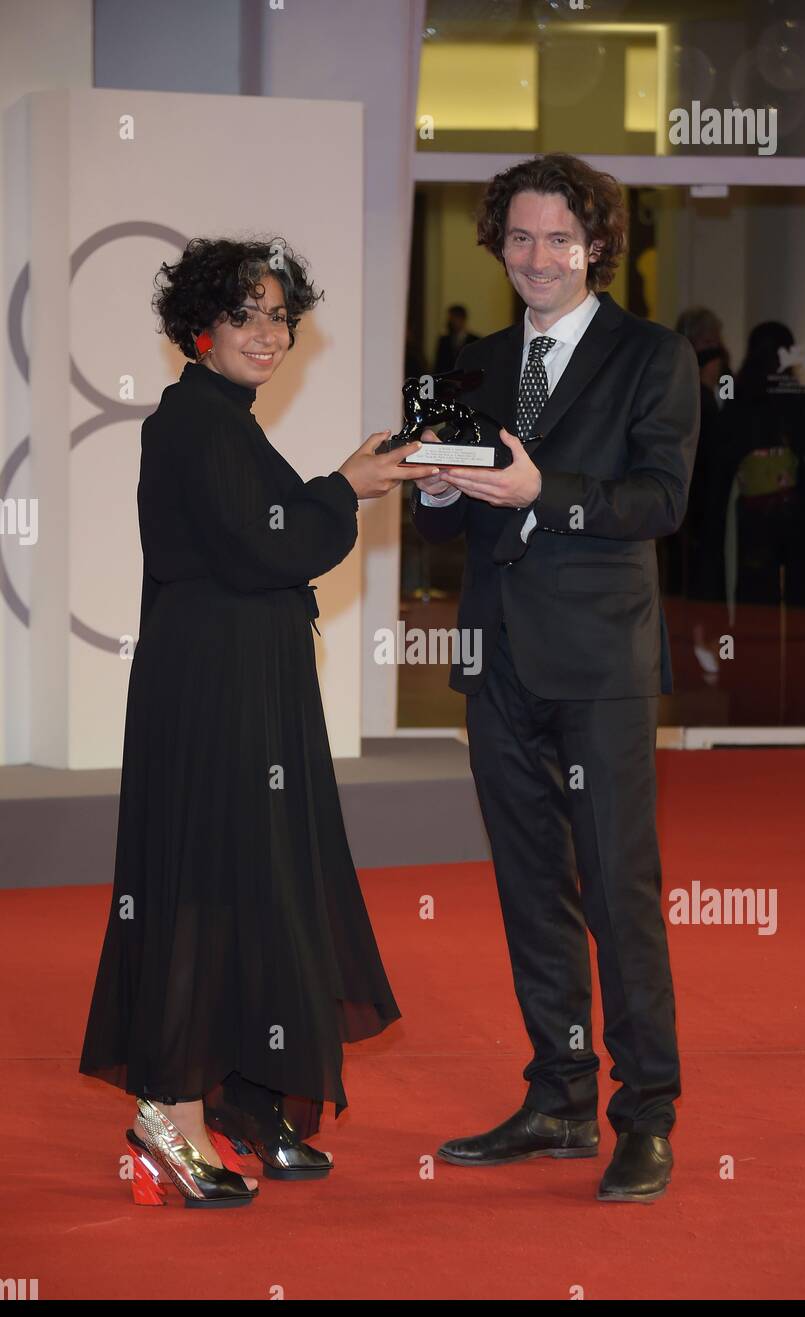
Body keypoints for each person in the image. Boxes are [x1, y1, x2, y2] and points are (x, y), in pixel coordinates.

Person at [78, 236, 437, 1210]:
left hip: (248, 687)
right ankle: (169, 1108)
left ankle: (243, 1098)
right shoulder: (192, 420)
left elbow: (263, 535)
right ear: (199, 327)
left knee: (260, 881)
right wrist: (346, 488)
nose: (268, 333)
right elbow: (255, 546)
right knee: (204, 883)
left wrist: (337, 485)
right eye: (246, 314)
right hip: (212, 696)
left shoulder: (225, 423)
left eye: (280, 315)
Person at [411, 153, 699, 1203]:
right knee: (532, 890)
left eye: (560, 240)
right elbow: (432, 504)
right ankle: (561, 1095)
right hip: (495, 663)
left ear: (597, 247)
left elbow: (661, 499)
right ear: (500, 244)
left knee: (618, 895)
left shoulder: (653, 356)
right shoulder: (467, 362)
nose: (538, 258)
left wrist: (545, 490)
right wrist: (433, 490)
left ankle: (647, 1113)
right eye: (521, 238)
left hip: (601, 666)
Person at [433, 304, 480, 376]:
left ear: (462, 319)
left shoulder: (475, 340)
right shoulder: (443, 341)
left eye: (452, 318)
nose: (449, 322)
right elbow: (438, 366)